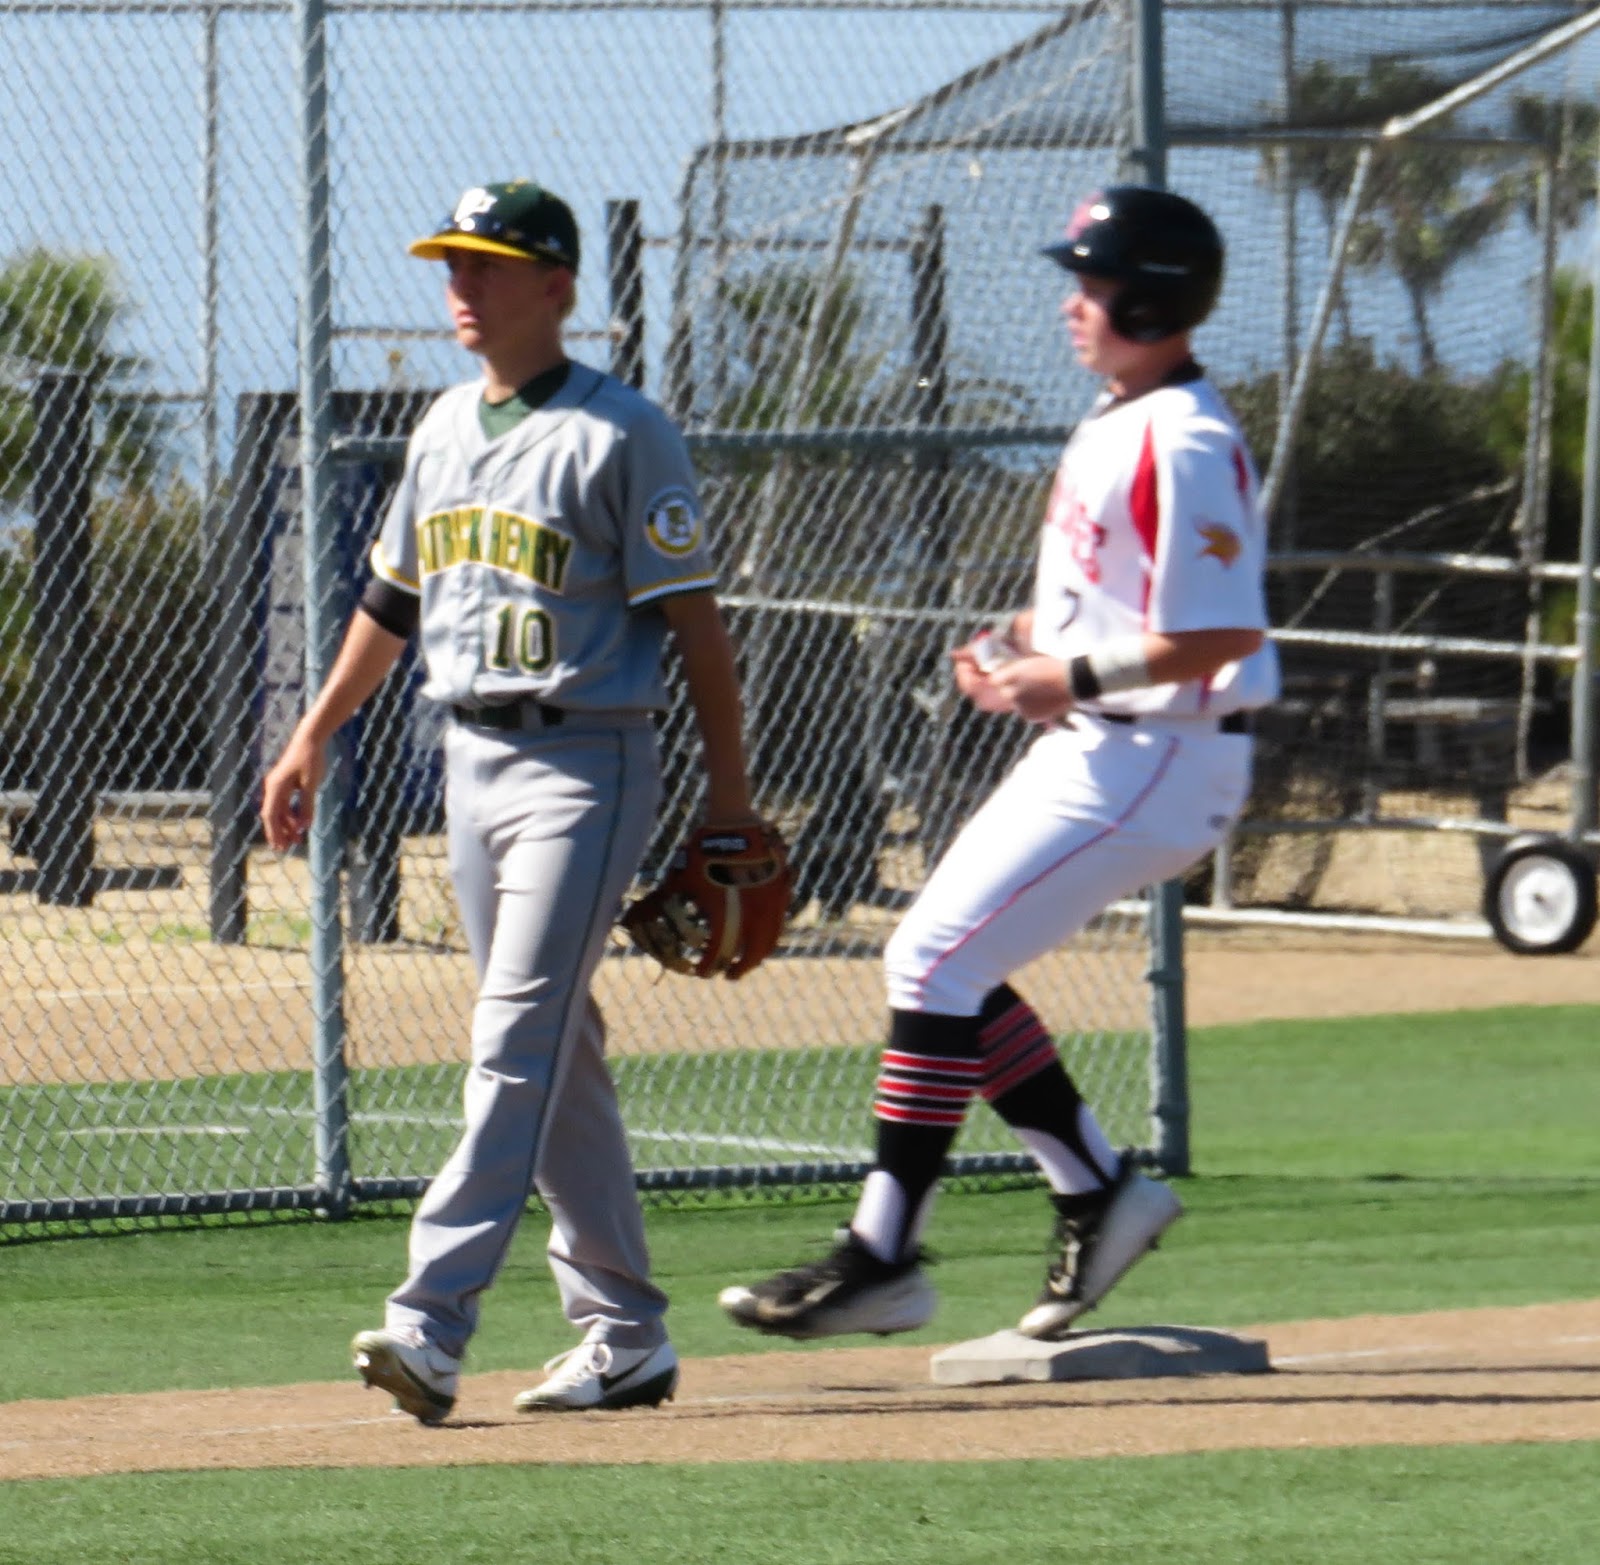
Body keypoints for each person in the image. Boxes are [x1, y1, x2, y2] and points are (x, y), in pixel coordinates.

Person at [718, 185, 1279, 1343]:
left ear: (1150, 295)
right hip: (1106, 746)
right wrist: (1013, 648)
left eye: (1092, 279)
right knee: (946, 961)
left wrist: (1061, 680)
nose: (1073, 301)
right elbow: (1079, 604)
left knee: (932, 955)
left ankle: (883, 1255)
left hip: (1162, 756)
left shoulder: (1186, 437)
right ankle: (1093, 1188)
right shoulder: (1112, 421)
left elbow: (1226, 633)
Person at [260, 179, 765, 1422]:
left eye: (488, 264)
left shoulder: (620, 431)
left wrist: (732, 796)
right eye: (454, 262)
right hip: (468, 760)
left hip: (586, 760)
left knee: (513, 1037)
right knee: (556, 1050)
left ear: (556, 286)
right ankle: (625, 1333)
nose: (462, 285)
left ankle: (430, 1323)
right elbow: (392, 604)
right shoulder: (440, 430)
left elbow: (693, 625)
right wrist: (313, 732)